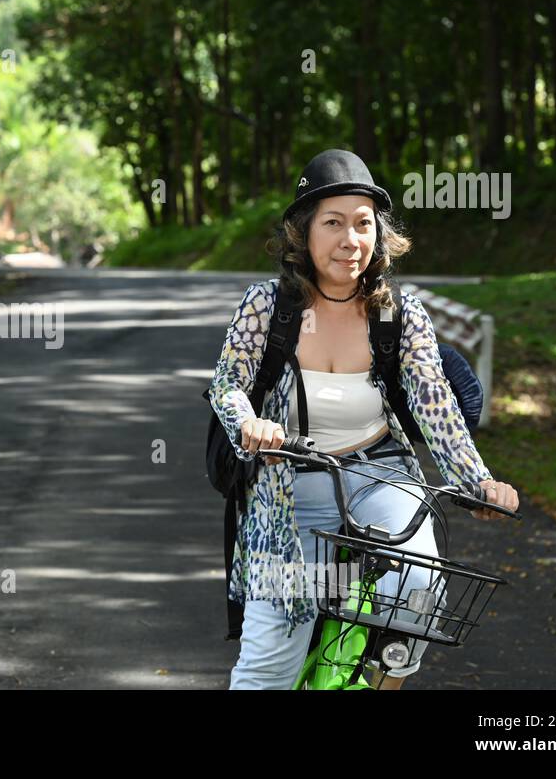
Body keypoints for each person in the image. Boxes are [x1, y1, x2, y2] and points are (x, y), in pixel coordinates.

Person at [209, 149, 519, 690]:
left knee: (422, 591)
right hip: (288, 483)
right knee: (269, 657)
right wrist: (250, 425)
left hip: (380, 473)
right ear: (303, 234)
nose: (349, 240)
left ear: (378, 235)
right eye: (333, 223)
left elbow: (434, 402)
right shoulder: (267, 306)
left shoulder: (399, 313)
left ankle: (382, 680)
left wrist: (477, 480)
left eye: (362, 224)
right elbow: (227, 385)